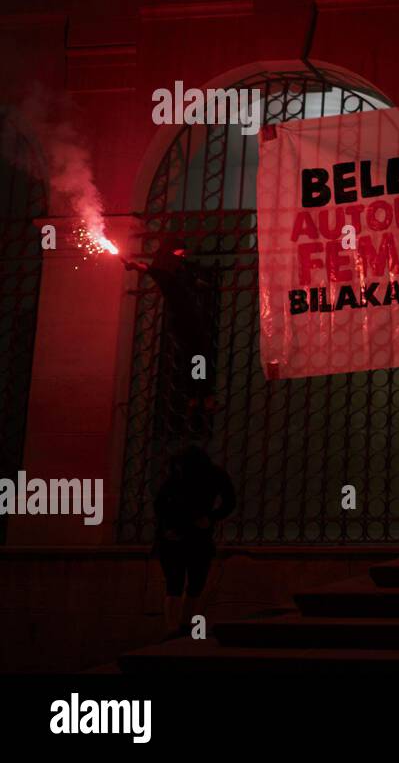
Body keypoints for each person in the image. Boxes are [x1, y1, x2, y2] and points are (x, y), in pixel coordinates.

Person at [122, 235, 220, 439]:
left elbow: (194, 282)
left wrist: (203, 284)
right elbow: (146, 268)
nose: (182, 255)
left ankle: (200, 396)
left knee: (199, 355)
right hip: (183, 319)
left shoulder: (180, 269)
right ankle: (198, 396)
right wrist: (132, 265)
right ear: (169, 252)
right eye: (178, 252)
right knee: (194, 356)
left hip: (191, 316)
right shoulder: (162, 270)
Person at [153, 445, 236, 638]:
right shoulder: (181, 475)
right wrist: (210, 518)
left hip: (190, 535)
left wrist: (211, 517)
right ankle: (178, 626)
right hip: (181, 535)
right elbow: (161, 504)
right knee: (184, 583)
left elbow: (229, 501)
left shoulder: (189, 475)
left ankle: (179, 625)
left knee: (187, 583)